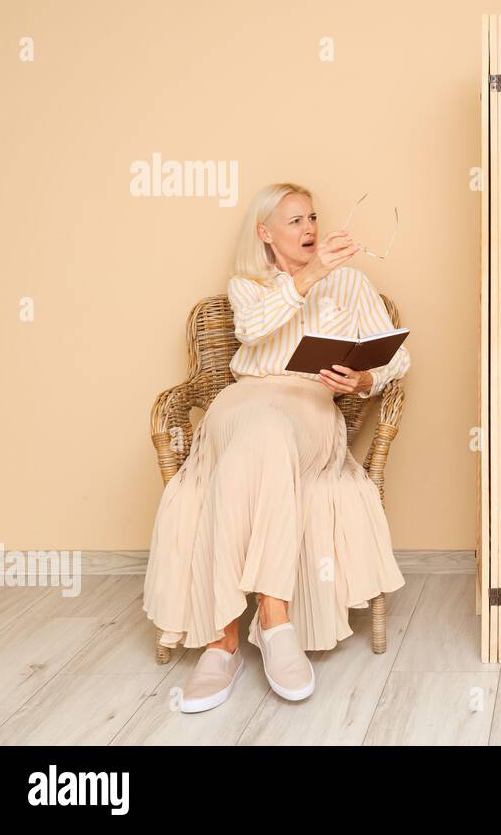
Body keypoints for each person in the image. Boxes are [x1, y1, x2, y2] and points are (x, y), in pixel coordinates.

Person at [142, 183, 409, 712]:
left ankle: (224, 643)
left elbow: (396, 359)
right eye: (294, 221)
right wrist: (309, 277)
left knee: (266, 436)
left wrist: (360, 382)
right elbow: (252, 328)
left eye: (312, 217)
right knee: (258, 428)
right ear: (265, 233)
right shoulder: (248, 287)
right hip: (241, 405)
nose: (309, 228)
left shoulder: (354, 284)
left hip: (309, 408)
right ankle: (272, 622)